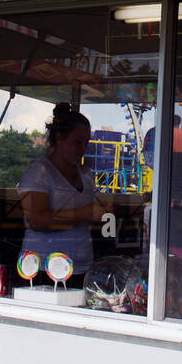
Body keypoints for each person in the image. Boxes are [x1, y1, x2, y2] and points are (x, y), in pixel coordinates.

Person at [17, 103, 108, 286]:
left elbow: (95, 212)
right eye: (77, 142)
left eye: (86, 143)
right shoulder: (39, 172)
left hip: (82, 268)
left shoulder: (87, 175)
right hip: (43, 270)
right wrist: (85, 213)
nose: (83, 148)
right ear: (59, 137)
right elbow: (37, 220)